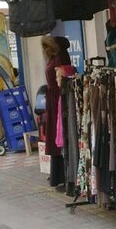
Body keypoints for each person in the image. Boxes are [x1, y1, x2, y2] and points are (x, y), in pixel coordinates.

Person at [41, 36, 74, 188]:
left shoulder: (60, 58)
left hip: (58, 100)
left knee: (59, 134)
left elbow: (64, 79)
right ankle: (57, 175)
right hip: (53, 100)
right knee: (55, 135)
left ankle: (60, 175)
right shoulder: (55, 58)